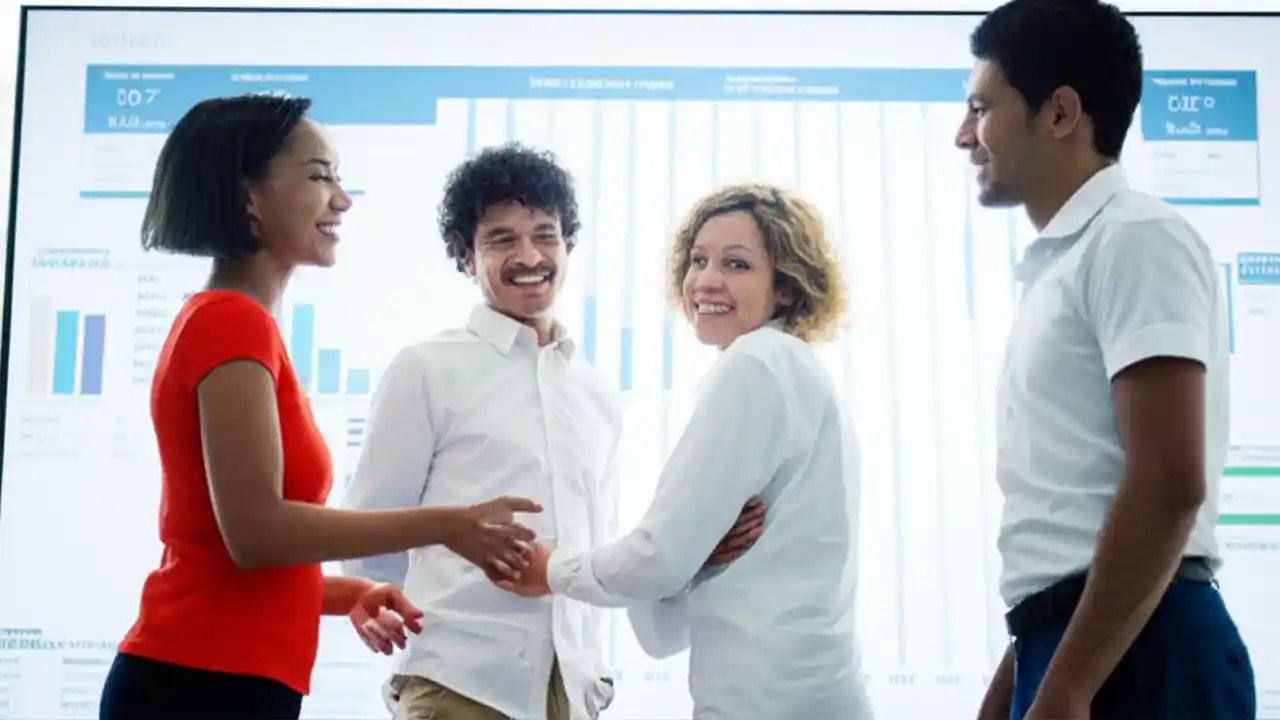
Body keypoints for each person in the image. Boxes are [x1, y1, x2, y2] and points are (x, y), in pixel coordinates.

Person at [98, 96, 542, 720]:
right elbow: (256, 532)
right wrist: (449, 525)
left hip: (225, 677)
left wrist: (346, 592)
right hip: (200, 681)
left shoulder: (238, 323)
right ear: (249, 197)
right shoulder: (230, 322)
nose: (342, 200)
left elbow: (229, 560)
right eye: (318, 176)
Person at [340, 143, 764, 720]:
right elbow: (369, 533)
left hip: (573, 690)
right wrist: (382, 602)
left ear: (567, 246)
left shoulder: (595, 393)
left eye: (545, 234)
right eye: (501, 239)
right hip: (461, 686)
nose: (529, 255)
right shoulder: (426, 369)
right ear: (467, 256)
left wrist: (694, 549)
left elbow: (597, 554)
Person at [954, 2, 1256, 719]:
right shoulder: (1066, 262)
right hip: (1083, 640)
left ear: (1060, 113)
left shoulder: (1135, 238)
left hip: (1142, 654)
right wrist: (1015, 691)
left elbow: (1167, 481)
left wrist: (1067, 687)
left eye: (981, 108)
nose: (964, 135)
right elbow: (1072, 539)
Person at [496, 183, 874, 720]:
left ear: (786, 288)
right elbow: (665, 621)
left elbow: (657, 559)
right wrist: (697, 553)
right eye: (698, 260)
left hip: (767, 703)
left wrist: (551, 570)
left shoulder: (756, 364)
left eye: (737, 264)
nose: (706, 281)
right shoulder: (796, 370)